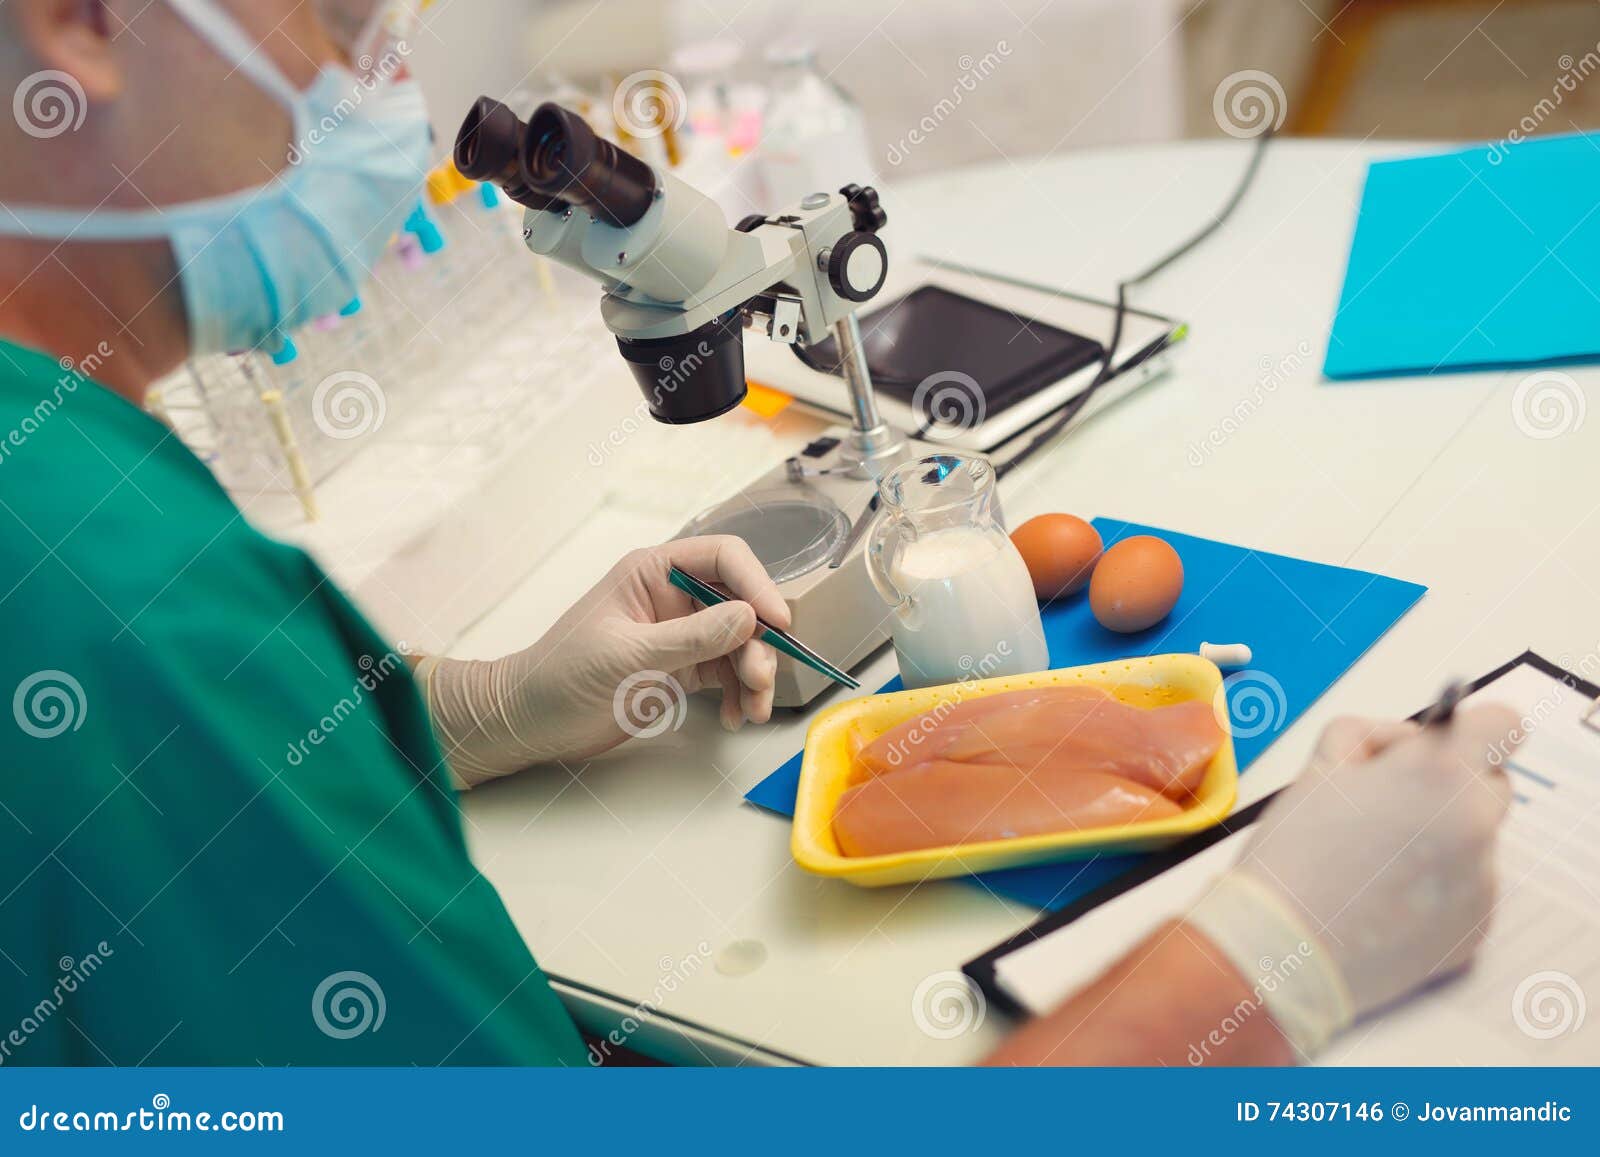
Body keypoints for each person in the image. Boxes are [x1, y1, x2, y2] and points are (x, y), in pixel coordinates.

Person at [0, 0, 1518, 1067]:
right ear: (81, 24)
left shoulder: (88, 525)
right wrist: (1273, 962)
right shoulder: (130, 599)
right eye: (343, 22)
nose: (386, 89)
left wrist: (461, 709)